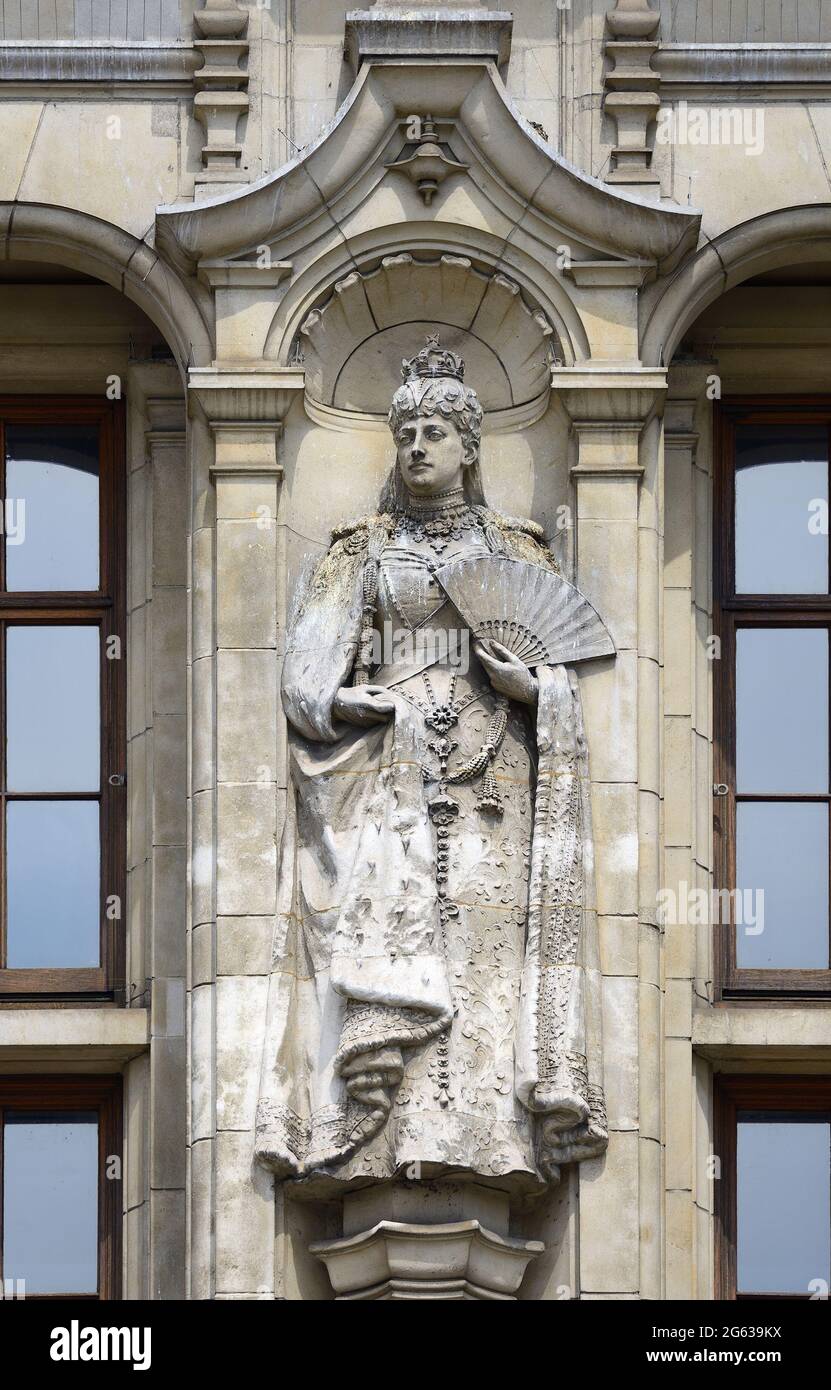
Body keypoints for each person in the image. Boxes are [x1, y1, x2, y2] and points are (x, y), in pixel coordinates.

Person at [255, 337, 608, 1190]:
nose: (416, 446)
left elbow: (563, 682)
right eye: (405, 430)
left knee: (485, 973)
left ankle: (488, 1143)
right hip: (389, 785)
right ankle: (382, 1142)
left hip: (498, 793)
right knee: (392, 962)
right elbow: (306, 680)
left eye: (433, 432)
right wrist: (355, 703)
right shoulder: (359, 553)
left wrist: (535, 691)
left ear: (468, 446)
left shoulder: (520, 552)